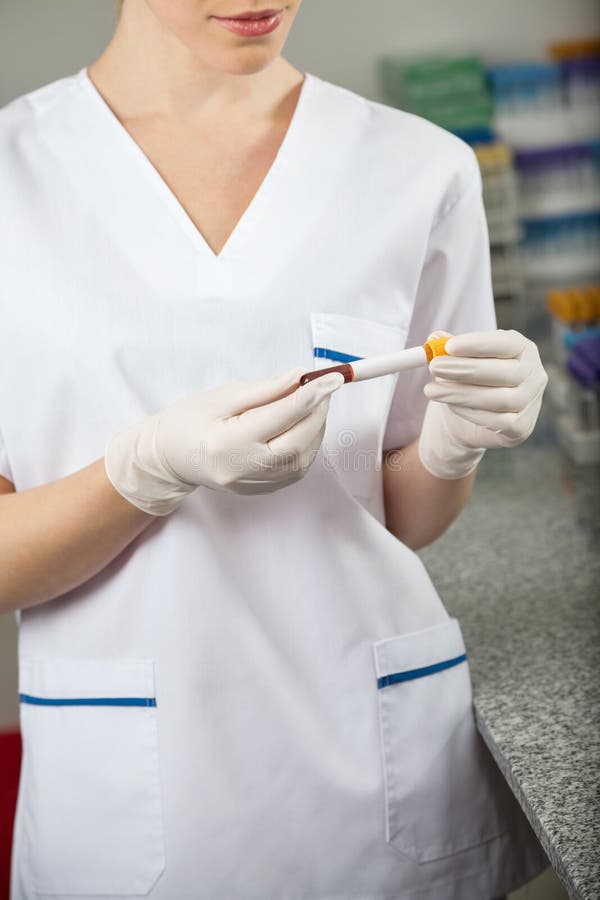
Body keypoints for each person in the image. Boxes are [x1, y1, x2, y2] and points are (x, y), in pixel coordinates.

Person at [0, 1, 549, 898]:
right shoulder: (12, 177)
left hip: (378, 778)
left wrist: (453, 447)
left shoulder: (420, 168)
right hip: (142, 802)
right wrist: (140, 475)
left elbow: (397, 518)